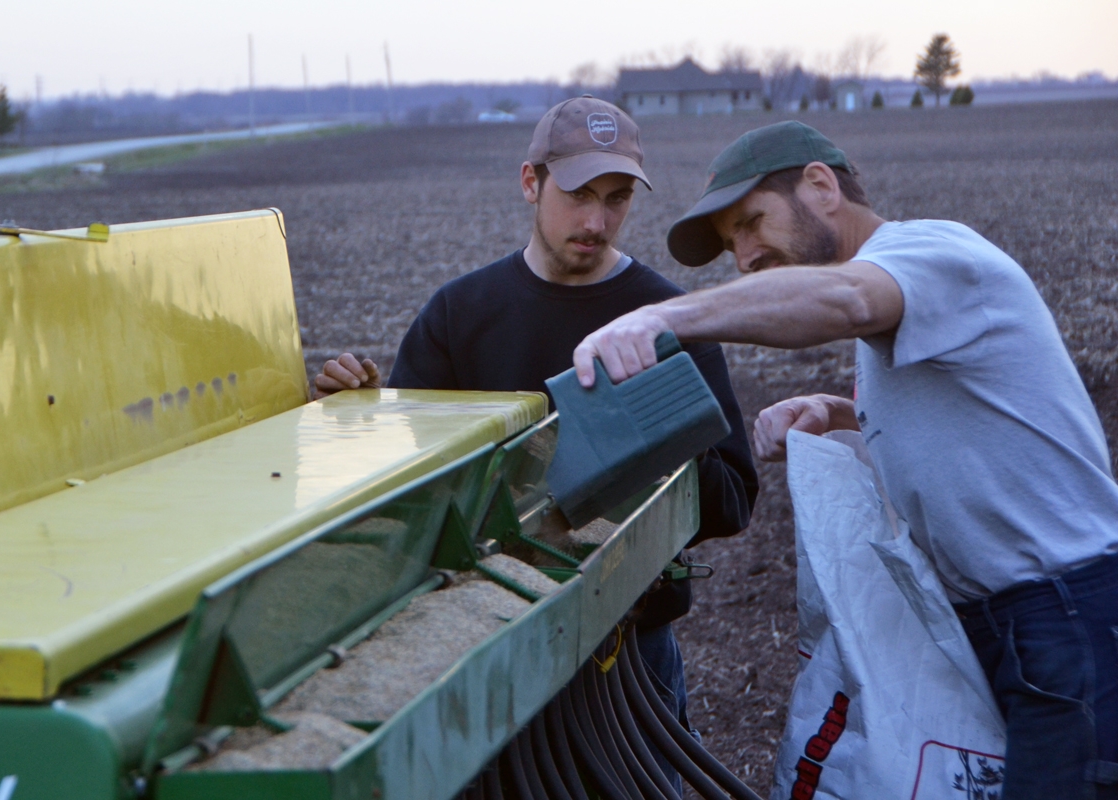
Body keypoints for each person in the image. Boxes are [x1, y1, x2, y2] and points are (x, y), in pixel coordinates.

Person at [572, 119, 1118, 799]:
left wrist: (660, 317)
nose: (743, 256)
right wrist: (845, 414)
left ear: (821, 186)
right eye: (730, 243)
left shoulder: (930, 251)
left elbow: (846, 299)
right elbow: (974, 420)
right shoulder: (903, 293)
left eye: (751, 223)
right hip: (1002, 623)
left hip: (1066, 616)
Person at [314, 96, 760, 781]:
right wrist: (352, 418)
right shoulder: (461, 315)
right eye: (578, 194)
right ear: (531, 183)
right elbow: (405, 485)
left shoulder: (667, 320)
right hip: (488, 654)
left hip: (629, 658)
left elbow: (732, 498)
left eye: (616, 200)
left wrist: (657, 430)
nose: (596, 221)